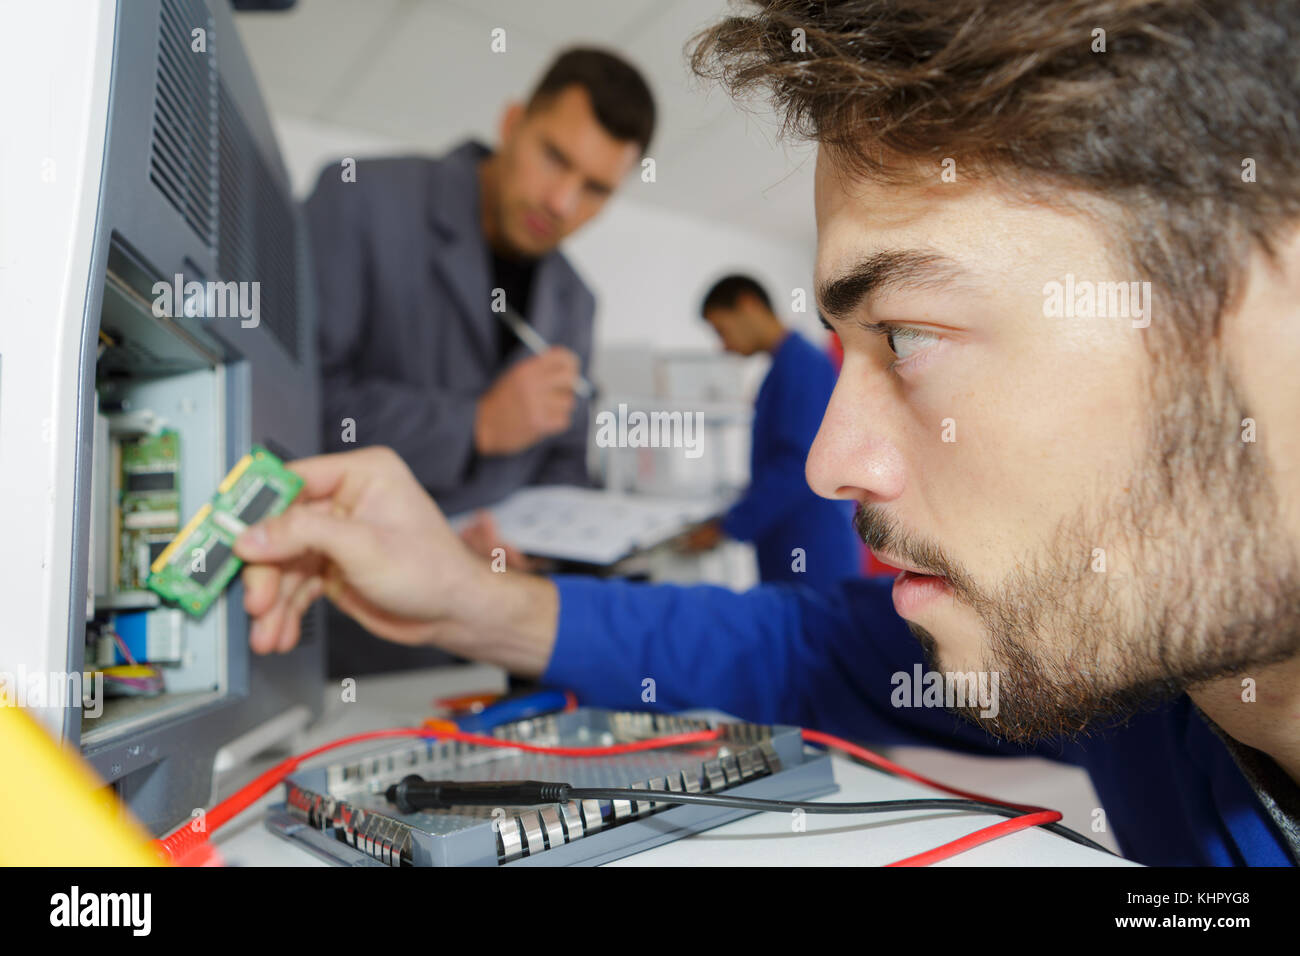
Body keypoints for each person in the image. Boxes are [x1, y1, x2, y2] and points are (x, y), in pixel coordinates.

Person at [236, 0, 1300, 865]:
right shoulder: (1110, 645)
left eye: (911, 334)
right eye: (850, 345)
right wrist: (467, 594)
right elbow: (800, 644)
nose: (834, 461)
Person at [303, 47, 655, 674]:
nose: (563, 203)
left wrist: (538, 552)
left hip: (486, 639)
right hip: (345, 627)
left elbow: (565, 459)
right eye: (555, 158)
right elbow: (296, 409)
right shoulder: (360, 197)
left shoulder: (576, 301)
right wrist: (476, 425)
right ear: (512, 122)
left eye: (597, 189)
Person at [683, 275, 859, 590]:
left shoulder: (803, 366)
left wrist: (728, 526)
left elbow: (797, 467)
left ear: (748, 305)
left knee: (813, 634)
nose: (723, 345)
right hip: (790, 538)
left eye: (722, 330)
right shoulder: (782, 368)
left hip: (811, 545)